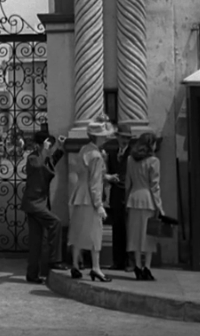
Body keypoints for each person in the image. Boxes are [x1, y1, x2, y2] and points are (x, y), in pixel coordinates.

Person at [68, 114, 116, 282]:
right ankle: (96, 268)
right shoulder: (96, 155)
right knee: (95, 232)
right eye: (104, 136)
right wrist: (99, 204)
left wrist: (107, 177)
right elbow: (94, 182)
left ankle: (75, 264)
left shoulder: (85, 149)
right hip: (89, 197)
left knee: (78, 230)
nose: (106, 138)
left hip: (79, 194)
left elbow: (88, 174)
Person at [21, 131, 68, 283]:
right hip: (34, 202)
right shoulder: (33, 157)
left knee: (36, 240)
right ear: (41, 145)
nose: (50, 147)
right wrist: (44, 150)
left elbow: (52, 161)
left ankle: (32, 274)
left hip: (38, 202)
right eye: (48, 143)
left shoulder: (44, 157)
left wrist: (60, 147)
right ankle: (55, 260)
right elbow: (39, 164)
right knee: (56, 222)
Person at [125, 132, 164, 281]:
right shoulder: (154, 161)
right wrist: (159, 205)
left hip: (134, 198)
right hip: (148, 199)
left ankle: (137, 266)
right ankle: (147, 267)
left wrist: (126, 200)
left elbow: (128, 183)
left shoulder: (130, 160)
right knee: (148, 235)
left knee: (135, 235)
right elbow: (155, 186)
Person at [104, 122, 133, 271]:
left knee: (128, 229)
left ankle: (129, 262)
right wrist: (109, 177)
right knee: (117, 229)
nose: (125, 141)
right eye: (123, 137)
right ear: (117, 137)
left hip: (127, 194)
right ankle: (117, 261)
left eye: (127, 138)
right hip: (116, 194)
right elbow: (108, 169)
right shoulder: (112, 152)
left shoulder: (132, 153)